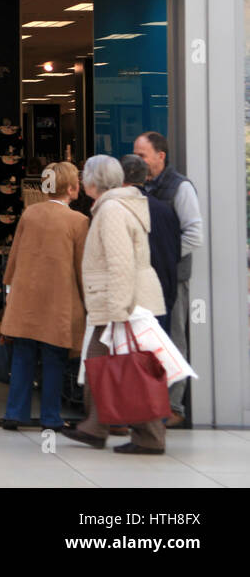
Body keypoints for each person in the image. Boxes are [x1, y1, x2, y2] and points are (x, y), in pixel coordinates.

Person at [62, 156, 168, 454]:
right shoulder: (117, 205)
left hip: (119, 305)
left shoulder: (110, 210)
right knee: (103, 363)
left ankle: (147, 435)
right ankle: (96, 425)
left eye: (85, 175)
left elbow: (120, 263)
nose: (82, 180)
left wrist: (119, 311)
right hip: (119, 303)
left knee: (127, 367)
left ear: (93, 181)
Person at [0, 161, 88, 431]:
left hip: (26, 297)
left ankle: (14, 413)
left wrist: (9, 288)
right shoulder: (79, 221)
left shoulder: (30, 214)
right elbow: (81, 266)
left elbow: (13, 258)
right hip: (59, 301)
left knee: (23, 356)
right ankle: (50, 417)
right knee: (54, 359)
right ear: (71, 189)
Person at [132, 131, 202, 423]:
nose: (138, 160)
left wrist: (165, 259)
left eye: (142, 155)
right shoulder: (141, 188)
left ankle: (174, 407)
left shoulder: (180, 188)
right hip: (146, 278)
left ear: (161, 156)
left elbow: (194, 234)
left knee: (173, 339)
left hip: (172, 279)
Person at [121, 154, 180, 335]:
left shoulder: (115, 208)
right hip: (161, 298)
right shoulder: (165, 210)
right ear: (146, 177)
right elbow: (174, 253)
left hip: (129, 302)